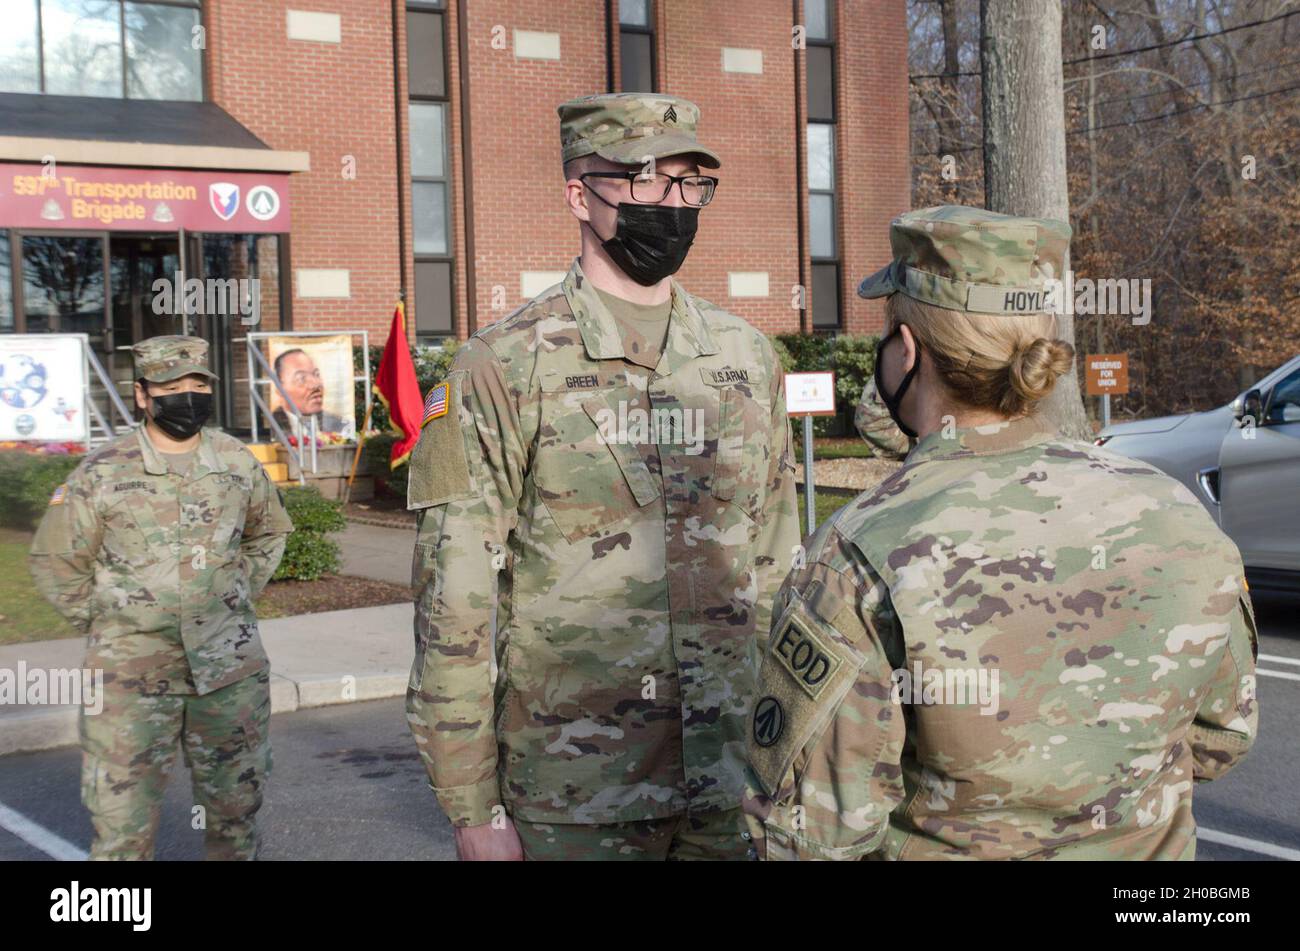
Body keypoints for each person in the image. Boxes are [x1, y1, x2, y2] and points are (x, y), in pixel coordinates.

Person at [743, 205, 1258, 860]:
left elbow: (805, 832)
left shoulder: (857, 555)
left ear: (905, 351)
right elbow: (1222, 736)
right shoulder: (1177, 512)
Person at [404, 93, 800, 861]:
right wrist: (470, 805)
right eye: (647, 179)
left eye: (690, 183)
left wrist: (789, 752)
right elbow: (454, 598)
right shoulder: (503, 363)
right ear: (578, 193)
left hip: (729, 783)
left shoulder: (746, 358)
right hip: (577, 792)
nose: (674, 203)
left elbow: (777, 566)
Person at [29, 335, 293, 860]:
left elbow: (269, 533)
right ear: (143, 395)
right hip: (131, 679)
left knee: (235, 813)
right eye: (172, 387)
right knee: (122, 827)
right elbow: (56, 562)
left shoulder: (235, 461)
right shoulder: (104, 472)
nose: (187, 397)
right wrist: (114, 623)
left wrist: (234, 598)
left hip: (228, 670)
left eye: (197, 385)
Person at [271, 347, 355, 440]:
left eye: (316, 374)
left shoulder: (339, 425)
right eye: (301, 378)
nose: (315, 384)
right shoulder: (272, 424)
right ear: (279, 389)